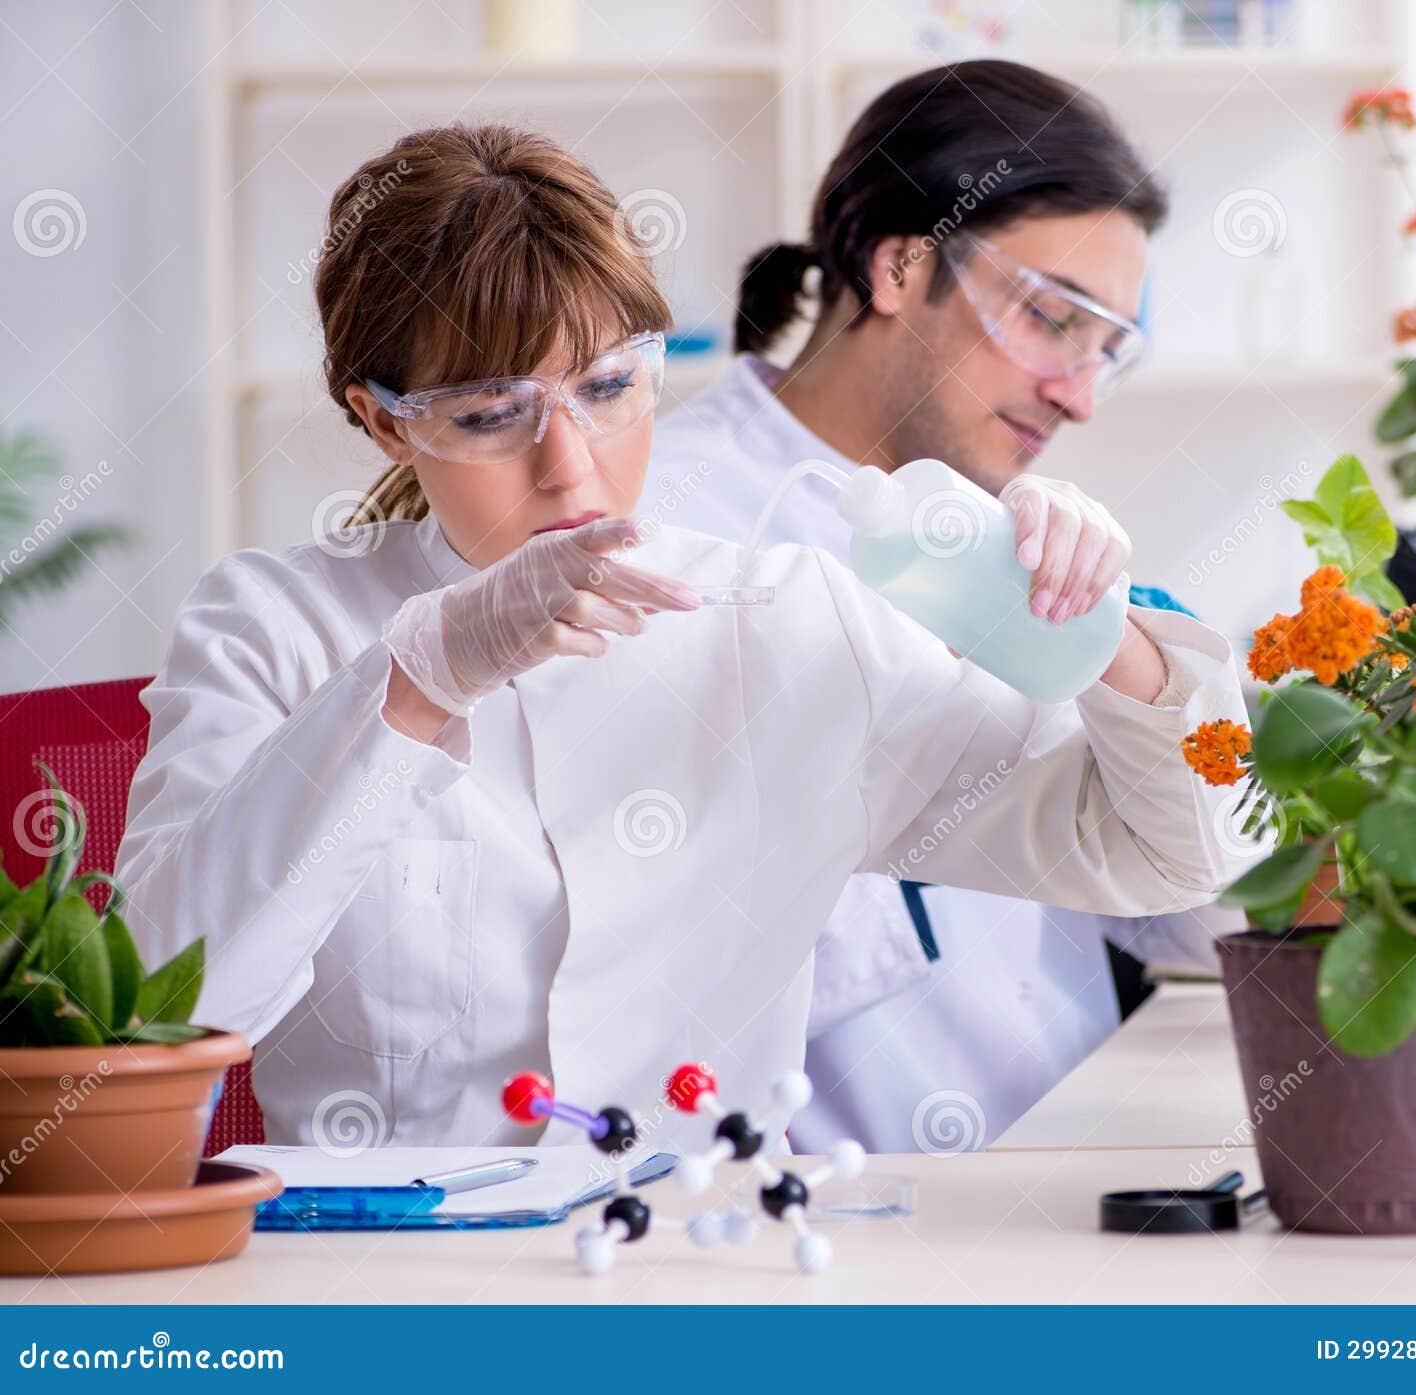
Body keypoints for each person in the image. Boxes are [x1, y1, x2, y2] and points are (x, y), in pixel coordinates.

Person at [116, 122, 1250, 1151]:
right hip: (397, 1278)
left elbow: (1172, 859)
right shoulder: (271, 625)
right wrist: (414, 686)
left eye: (611, 388)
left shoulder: (792, 623)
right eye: (490, 414)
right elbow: (161, 1016)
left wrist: (1105, 635)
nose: (570, 466)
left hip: (702, 1269)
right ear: (383, 419)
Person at [645, 61, 1238, 1153]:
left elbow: (1213, 921)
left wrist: (1132, 654)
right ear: (900, 266)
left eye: (1109, 348)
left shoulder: (1022, 541)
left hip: (1076, 1184)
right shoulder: (668, 522)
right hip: (840, 1233)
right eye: (1053, 317)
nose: (1082, 393)